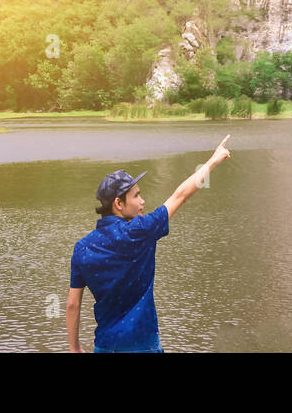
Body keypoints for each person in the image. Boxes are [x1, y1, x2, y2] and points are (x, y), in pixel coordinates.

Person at [67, 134, 231, 353]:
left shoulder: (82, 248)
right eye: (136, 196)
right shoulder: (141, 231)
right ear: (118, 203)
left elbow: (72, 304)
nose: (142, 201)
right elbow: (180, 195)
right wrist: (213, 161)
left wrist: (75, 348)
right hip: (143, 345)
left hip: (105, 346)